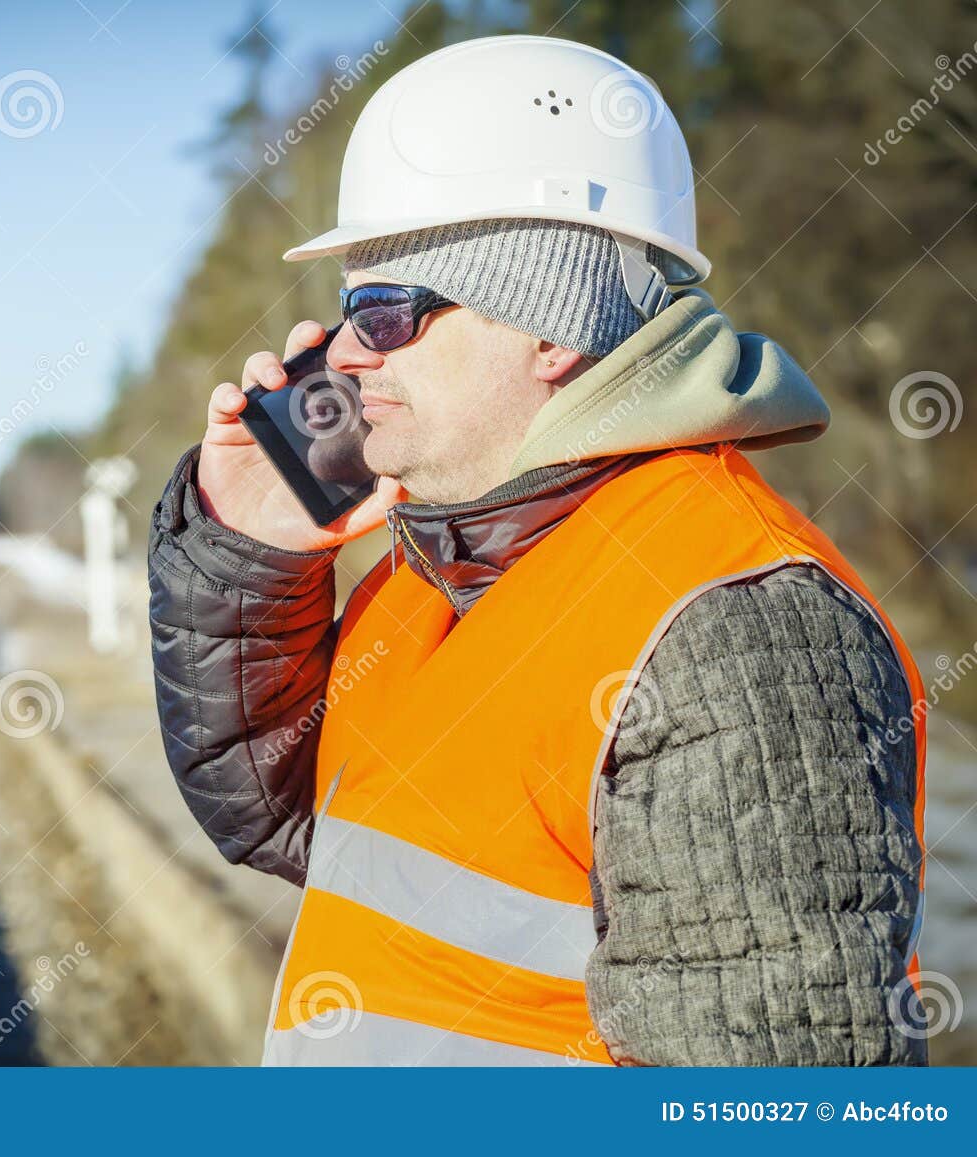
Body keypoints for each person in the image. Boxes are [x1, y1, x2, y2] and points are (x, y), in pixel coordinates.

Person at [147, 35, 928, 1066]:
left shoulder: (742, 634)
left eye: (384, 311)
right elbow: (289, 815)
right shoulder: (445, 560)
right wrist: (249, 552)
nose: (340, 352)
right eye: (348, 308)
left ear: (549, 324)